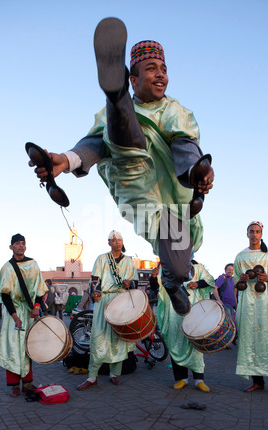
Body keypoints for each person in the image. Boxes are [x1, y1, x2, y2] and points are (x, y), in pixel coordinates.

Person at [29, 17, 214, 317]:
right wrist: (65, 160)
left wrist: (198, 172)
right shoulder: (109, 118)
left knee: (180, 268)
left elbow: (186, 147)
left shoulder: (175, 112)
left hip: (174, 204)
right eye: (151, 69)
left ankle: (172, 282)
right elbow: (94, 144)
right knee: (126, 145)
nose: (160, 75)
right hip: (135, 183)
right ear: (134, 78)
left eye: (164, 69)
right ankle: (116, 98)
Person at [77, 230, 139, 390]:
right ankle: (92, 376)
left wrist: (128, 284)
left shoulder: (128, 262)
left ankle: (114, 374)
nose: (117, 242)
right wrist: (95, 292)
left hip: (121, 301)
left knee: (118, 338)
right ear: (109, 243)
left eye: (119, 239)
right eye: (113, 240)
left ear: (122, 242)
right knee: (98, 336)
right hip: (103, 300)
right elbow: (95, 279)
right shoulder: (102, 259)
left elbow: (135, 283)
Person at [151, 261, 215, 392]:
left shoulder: (197, 267)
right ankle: (181, 378)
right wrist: (153, 277)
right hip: (173, 312)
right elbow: (155, 287)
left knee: (195, 343)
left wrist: (197, 284)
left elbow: (210, 281)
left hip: (193, 310)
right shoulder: (166, 267)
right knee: (176, 342)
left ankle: (199, 379)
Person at [0, 234, 47, 397]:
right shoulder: (6, 268)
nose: (21, 246)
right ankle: (14, 385)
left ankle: (27, 383)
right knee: (13, 346)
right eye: (17, 243)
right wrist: (15, 317)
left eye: (23, 243)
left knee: (27, 346)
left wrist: (37, 307)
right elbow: (4, 295)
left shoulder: (33, 265)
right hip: (13, 312)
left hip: (29, 312)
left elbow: (40, 290)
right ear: (11, 247)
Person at [233, 221, 268, 392]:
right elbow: (236, 281)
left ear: (261, 234)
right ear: (247, 234)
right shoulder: (241, 257)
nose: (254, 234)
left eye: (257, 231)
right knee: (250, 338)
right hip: (248, 303)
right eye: (252, 231)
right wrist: (241, 280)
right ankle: (258, 382)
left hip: (267, 303)